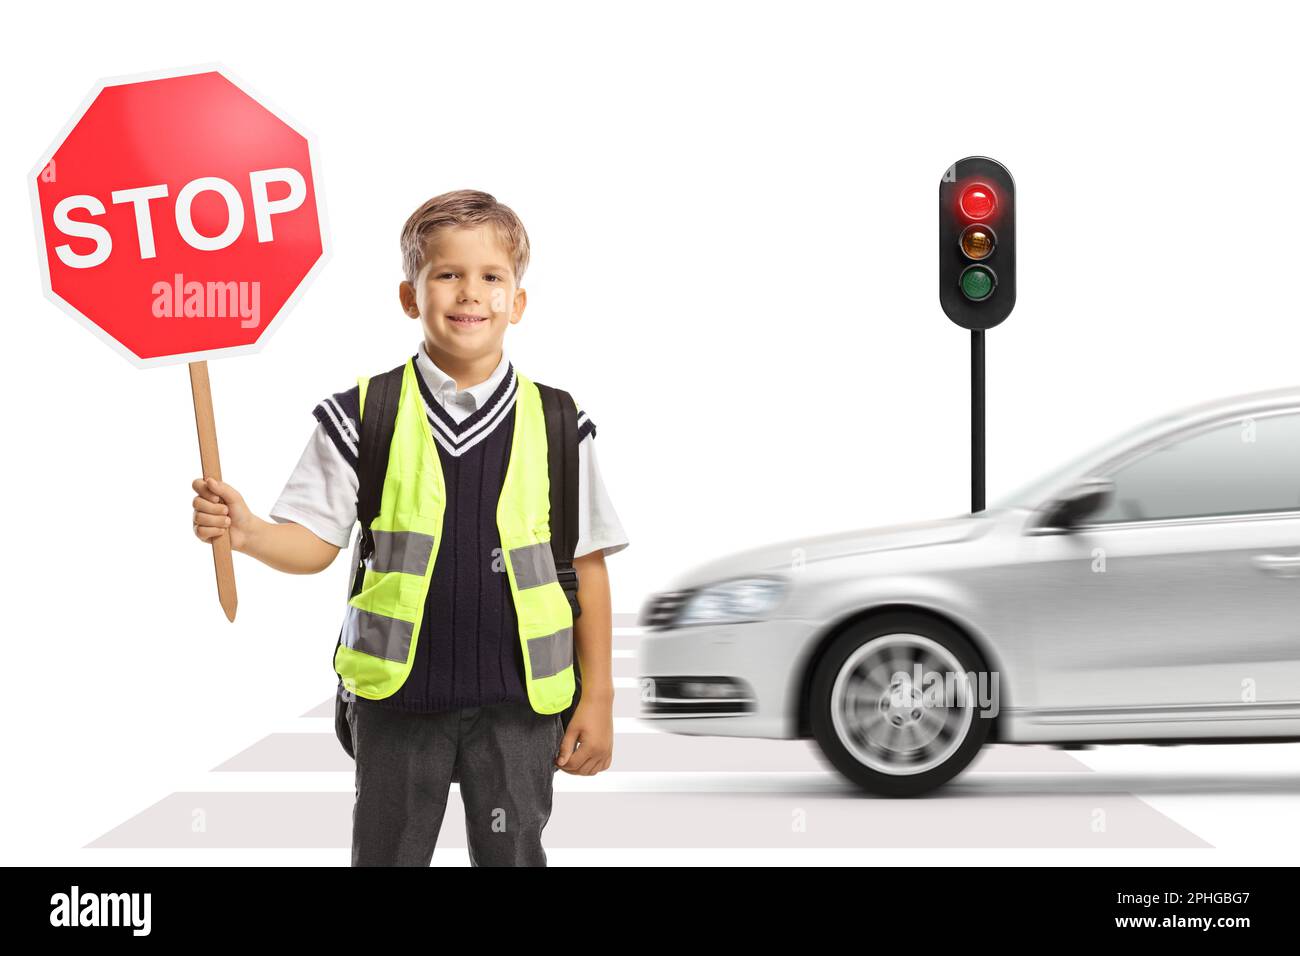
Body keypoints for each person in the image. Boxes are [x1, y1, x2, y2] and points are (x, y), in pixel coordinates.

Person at [189, 189, 628, 865]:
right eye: (447, 273)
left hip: (521, 704)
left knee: (512, 854)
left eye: (491, 277)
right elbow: (315, 543)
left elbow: (586, 566)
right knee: (387, 854)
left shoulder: (560, 423)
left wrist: (598, 696)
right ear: (409, 296)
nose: (469, 292)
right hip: (397, 699)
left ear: (517, 302)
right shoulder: (363, 415)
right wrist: (246, 533)